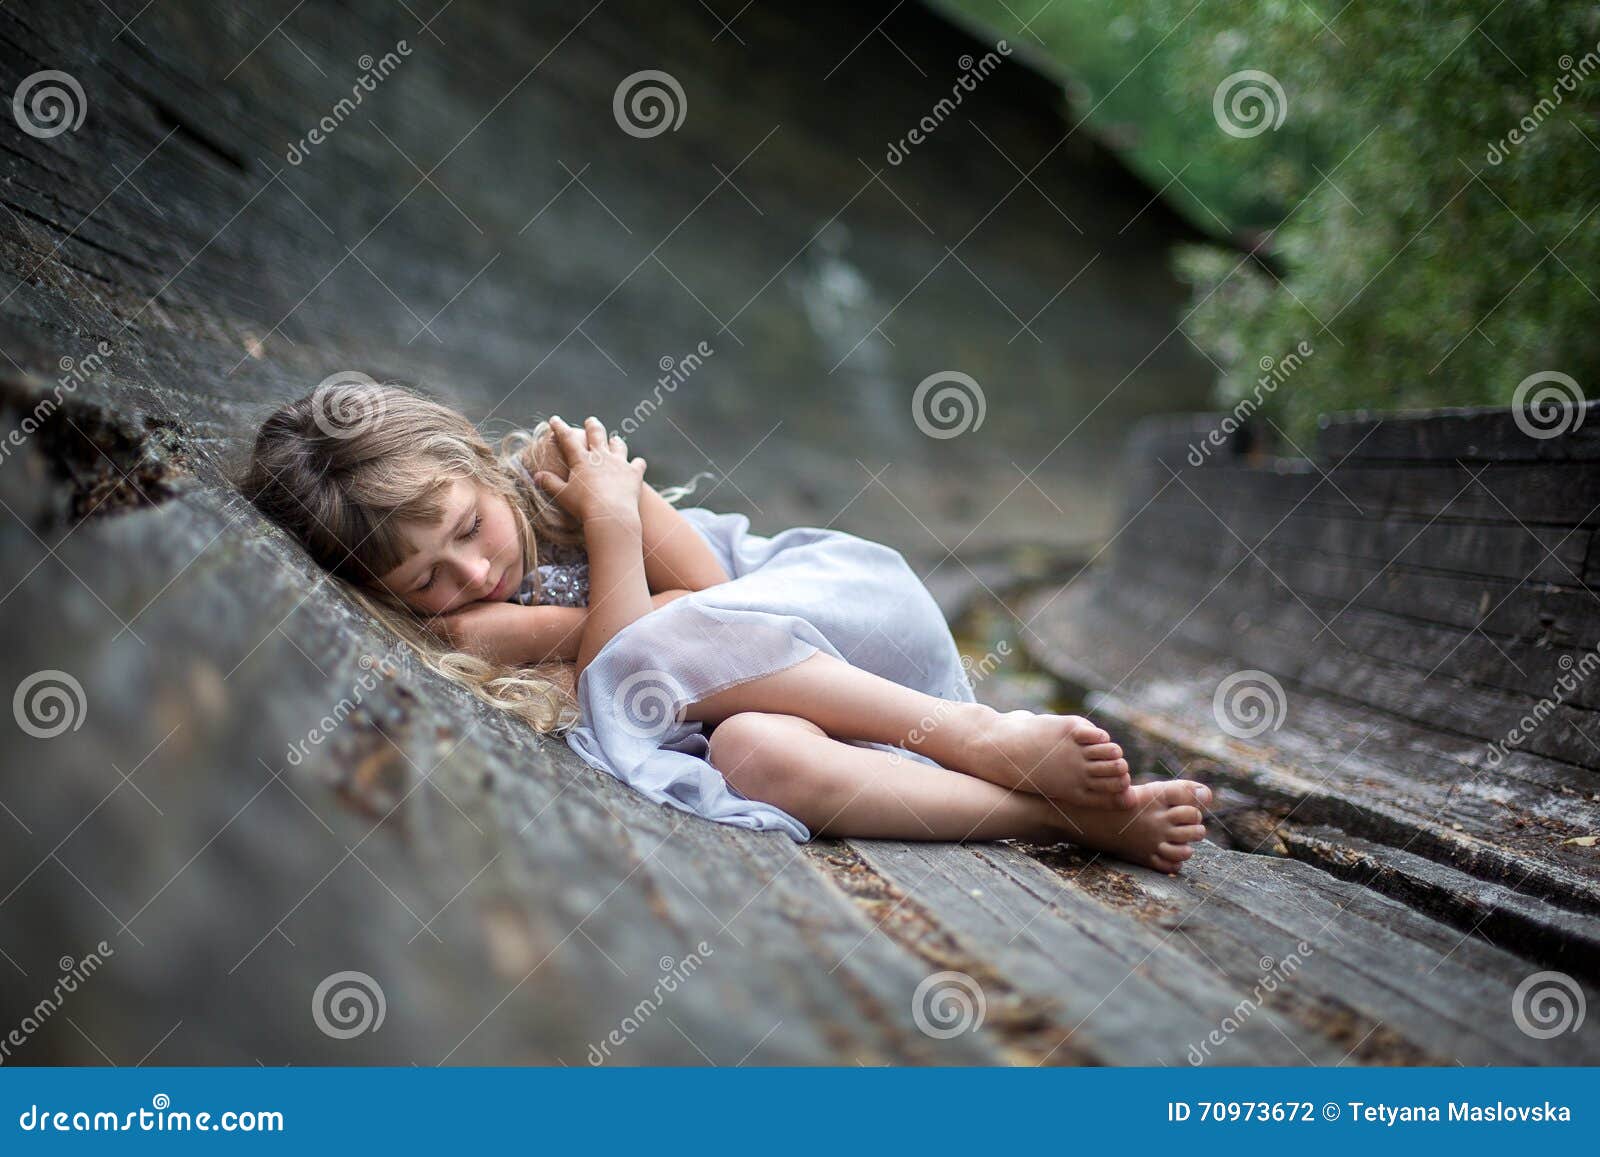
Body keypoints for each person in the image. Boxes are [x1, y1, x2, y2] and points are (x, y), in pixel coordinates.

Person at [240, 379, 1210, 871]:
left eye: (466, 528)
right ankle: (1063, 816)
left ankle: (979, 735)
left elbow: (708, 606)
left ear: (472, 460)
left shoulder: (569, 478)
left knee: (677, 639)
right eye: (427, 578)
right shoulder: (469, 626)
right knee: (755, 755)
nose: (474, 570)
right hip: (807, 718)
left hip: (854, 621)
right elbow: (650, 661)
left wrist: (612, 525)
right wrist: (614, 566)